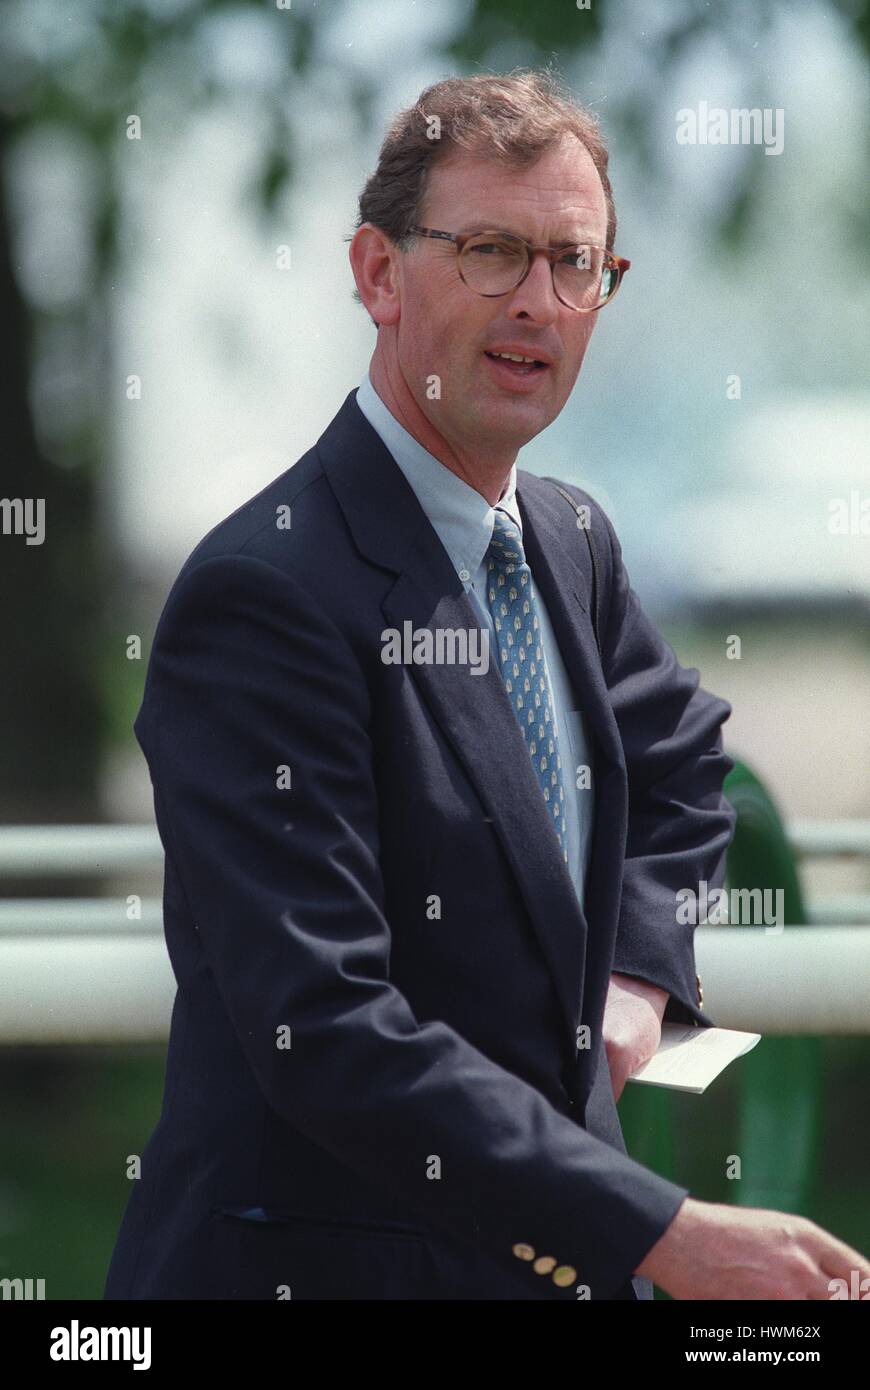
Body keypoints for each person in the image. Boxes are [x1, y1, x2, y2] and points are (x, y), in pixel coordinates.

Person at [104, 70, 869, 1301]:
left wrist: (638, 970)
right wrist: (658, 1229)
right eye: (493, 250)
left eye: (578, 263)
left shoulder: (570, 537)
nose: (540, 301)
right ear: (377, 273)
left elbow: (683, 763)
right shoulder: (263, 593)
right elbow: (331, 1030)